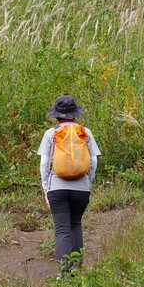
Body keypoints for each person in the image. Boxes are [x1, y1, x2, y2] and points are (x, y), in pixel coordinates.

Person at [38, 93, 100, 274]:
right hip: (82, 188)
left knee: (62, 229)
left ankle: (64, 274)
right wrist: (88, 181)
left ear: (56, 115)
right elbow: (94, 161)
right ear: (75, 114)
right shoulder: (85, 132)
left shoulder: (51, 134)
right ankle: (77, 270)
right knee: (76, 224)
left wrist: (45, 188)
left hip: (57, 188)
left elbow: (44, 164)